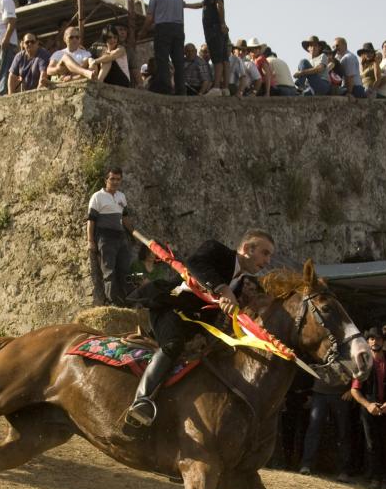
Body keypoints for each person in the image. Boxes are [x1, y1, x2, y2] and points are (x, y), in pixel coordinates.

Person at [125, 230, 276, 428]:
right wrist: (223, 289)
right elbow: (195, 264)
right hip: (169, 307)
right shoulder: (216, 250)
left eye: (270, 255)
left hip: (193, 322)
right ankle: (141, 402)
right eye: (265, 253)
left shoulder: (239, 283)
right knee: (173, 344)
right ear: (248, 249)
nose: (268, 260)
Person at [350, 326, 386, 489]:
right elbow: (354, 389)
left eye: (378, 339)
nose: (375, 342)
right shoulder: (363, 362)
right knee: (372, 445)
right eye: (372, 339)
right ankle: (375, 478)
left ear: (384, 341)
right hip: (369, 410)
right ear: (367, 342)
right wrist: (368, 405)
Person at [86, 167, 132, 307]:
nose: (115, 182)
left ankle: (127, 301)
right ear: (106, 180)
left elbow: (125, 218)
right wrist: (90, 240)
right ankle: (113, 303)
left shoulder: (121, 197)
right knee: (109, 271)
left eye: (118, 179)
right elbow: (91, 220)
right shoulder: (97, 197)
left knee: (124, 270)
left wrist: (132, 233)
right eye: (112, 179)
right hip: (105, 237)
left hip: (120, 237)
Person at [183, 0, 228, 95]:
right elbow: (201, 4)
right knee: (223, 57)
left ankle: (217, 87)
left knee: (217, 58)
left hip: (214, 28)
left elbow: (219, 5)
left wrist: (222, 23)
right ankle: (224, 88)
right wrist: (186, 5)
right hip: (218, 28)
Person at [141, 0, 185, 96]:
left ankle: (165, 89)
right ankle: (181, 90)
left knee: (162, 59)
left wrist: (143, 31)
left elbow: (150, 17)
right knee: (178, 61)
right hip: (178, 29)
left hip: (163, 29)